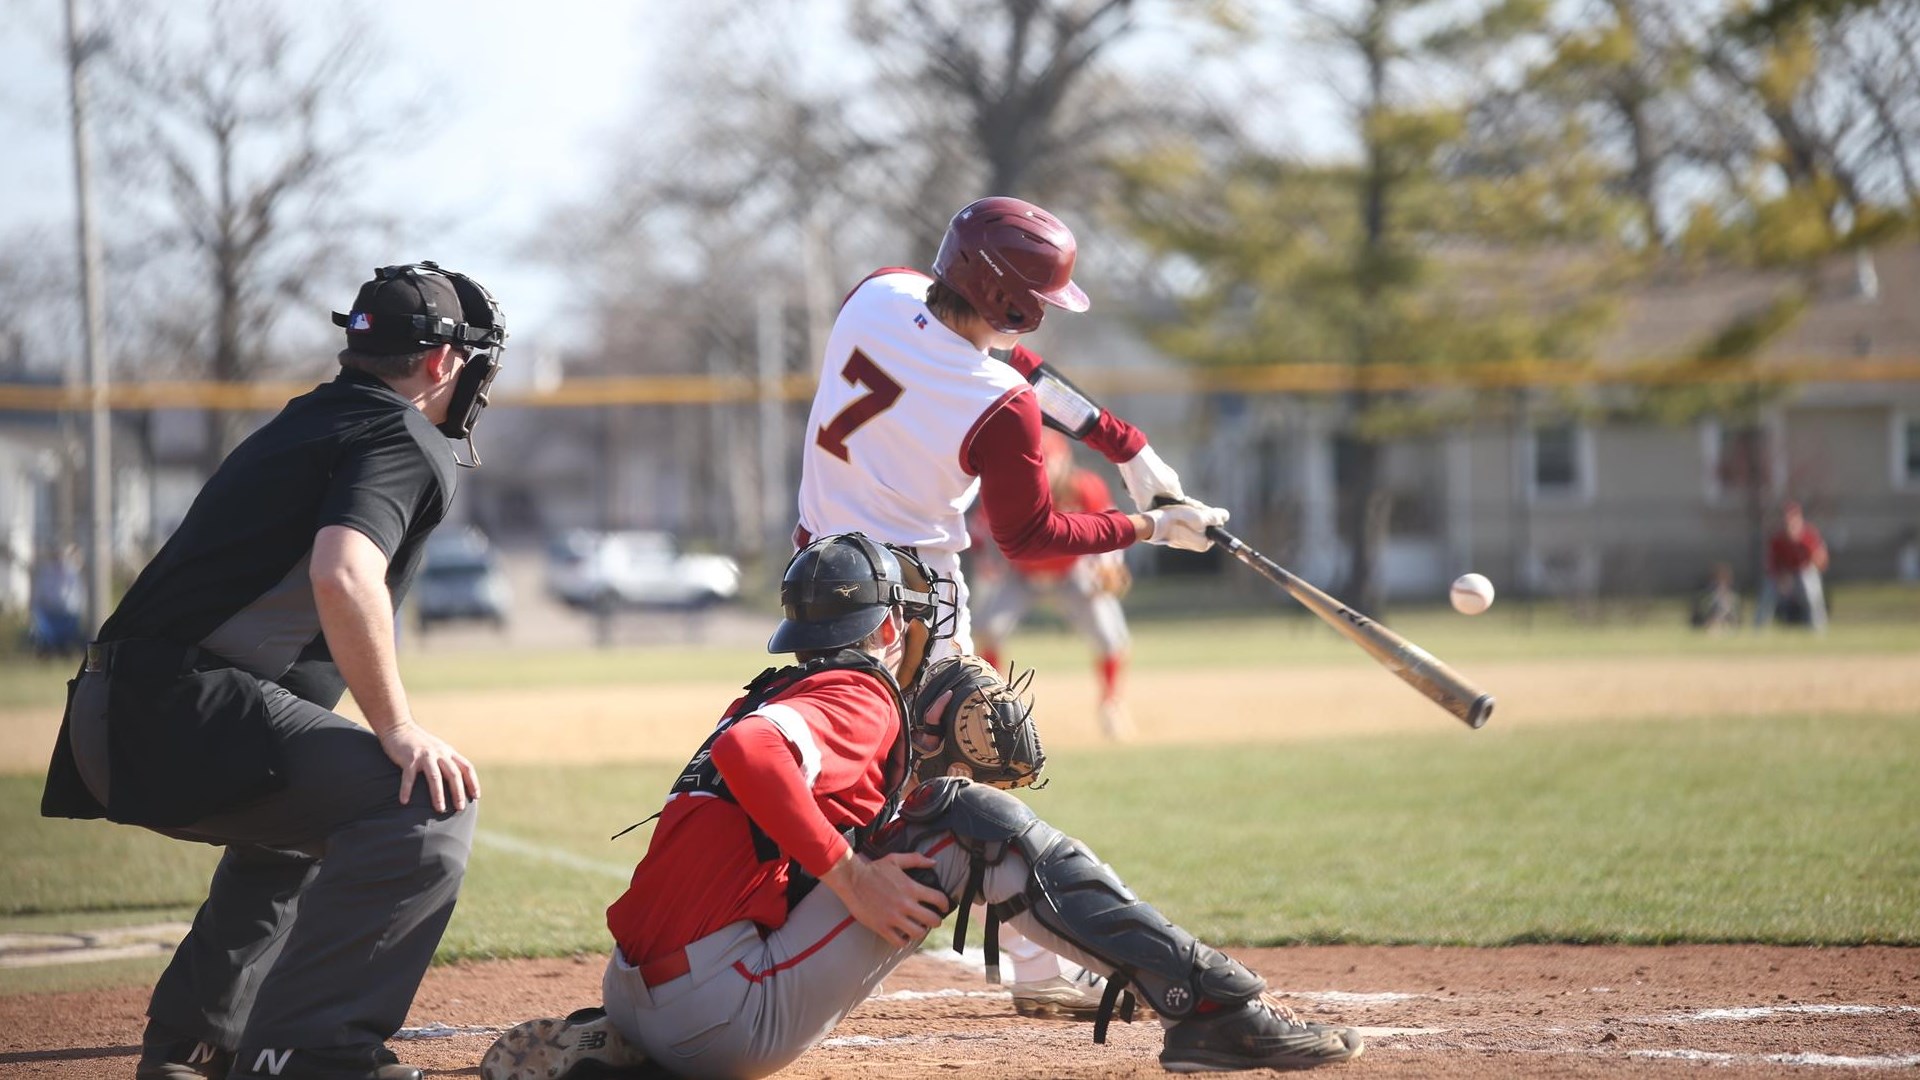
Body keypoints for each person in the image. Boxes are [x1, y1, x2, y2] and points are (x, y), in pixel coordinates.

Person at [480, 533, 1363, 1080]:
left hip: (636, 991)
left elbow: (771, 779)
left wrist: (880, 816)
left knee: (930, 815)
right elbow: (757, 760)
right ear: (884, 629)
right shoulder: (858, 695)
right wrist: (850, 875)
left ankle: (629, 1049)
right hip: (719, 1017)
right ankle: (1210, 1010)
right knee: (974, 826)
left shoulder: (774, 690)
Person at [39, 262, 507, 1080]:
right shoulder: (403, 435)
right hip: (182, 712)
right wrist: (397, 727)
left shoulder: (304, 419)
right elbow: (343, 573)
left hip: (113, 711)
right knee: (426, 807)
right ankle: (315, 1053)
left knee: (301, 829)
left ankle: (192, 1047)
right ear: (442, 362)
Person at [791, 195, 1228, 1017]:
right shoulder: (997, 401)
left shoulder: (879, 291)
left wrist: (1126, 446)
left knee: (898, 768)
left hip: (816, 577)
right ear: (1009, 300)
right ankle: (1026, 962)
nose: (1043, 316)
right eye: (1038, 301)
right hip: (911, 603)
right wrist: (1150, 527)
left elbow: (1006, 359)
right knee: (955, 773)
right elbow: (1031, 537)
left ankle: (1030, 962)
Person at [973, 430, 1134, 739]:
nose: (1045, 470)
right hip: (1021, 571)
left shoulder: (1084, 487)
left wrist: (1109, 564)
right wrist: (988, 566)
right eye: (1039, 463)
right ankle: (992, 706)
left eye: (1051, 461)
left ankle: (1112, 703)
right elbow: (982, 530)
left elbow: (1110, 525)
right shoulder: (1012, 490)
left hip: (1071, 570)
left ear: (1065, 462)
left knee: (1110, 636)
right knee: (988, 629)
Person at [1754, 500, 1830, 631]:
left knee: (1810, 586)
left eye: (1793, 520)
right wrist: (1781, 578)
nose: (1790, 524)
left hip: (1803, 570)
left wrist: (1815, 559)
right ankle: (1758, 628)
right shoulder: (1778, 539)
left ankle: (1817, 627)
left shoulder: (1808, 536)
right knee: (1768, 590)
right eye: (1787, 521)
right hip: (1784, 573)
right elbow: (1771, 564)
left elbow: (1821, 560)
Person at [1688, 562, 1741, 634]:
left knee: (1727, 601)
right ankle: (1714, 624)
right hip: (1712, 613)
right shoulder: (1708, 589)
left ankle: (1722, 624)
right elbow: (1704, 605)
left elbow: (1734, 606)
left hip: (1725, 614)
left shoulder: (1732, 592)